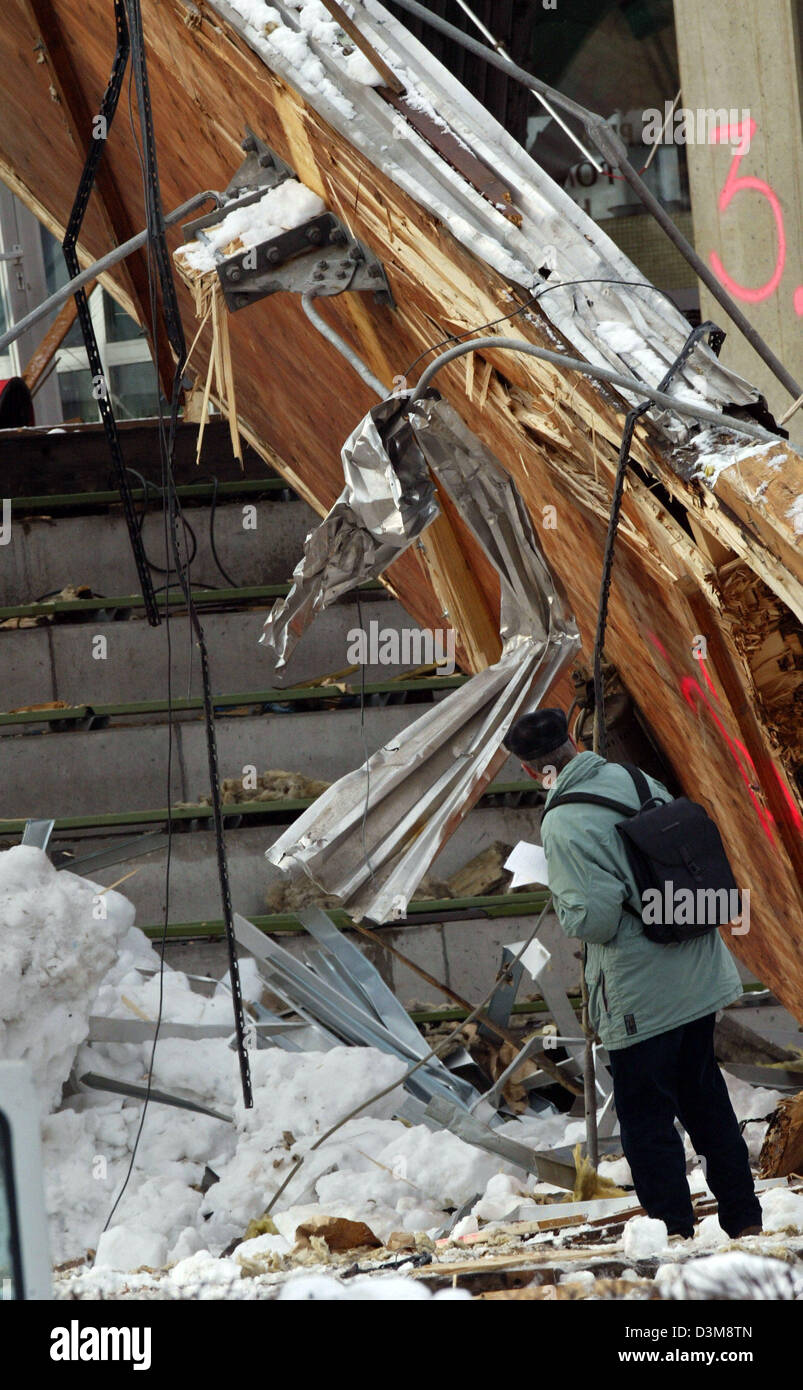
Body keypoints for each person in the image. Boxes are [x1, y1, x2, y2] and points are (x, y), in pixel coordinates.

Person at [502, 707, 762, 1240]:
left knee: (645, 1121)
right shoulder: (636, 778)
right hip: (696, 968)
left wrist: (557, 887)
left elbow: (593, 920)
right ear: (573, 740)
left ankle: (671, 1233)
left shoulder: (563, 821)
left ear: (530, 770)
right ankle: (745, 1218)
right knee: (705, 1099)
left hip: (642, 993)